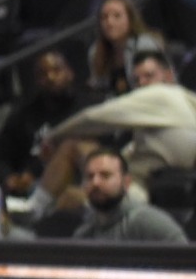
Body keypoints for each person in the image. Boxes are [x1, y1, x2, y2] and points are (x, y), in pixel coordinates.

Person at [42, 50, 196, 197]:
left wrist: (54, 135)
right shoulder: (187, 100)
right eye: (136, 80)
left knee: (71, 147)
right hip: (152, 183)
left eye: (149, 76)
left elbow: (92, 118)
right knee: (68, 195)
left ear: (169, 76)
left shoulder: (161, 95)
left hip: (140, 191)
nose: (142, 83)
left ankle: (35, 206)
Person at [0, 49, 90, 195]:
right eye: (43, 74)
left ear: (70, 73)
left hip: (71, 181)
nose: (50, 77)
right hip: (25, 184)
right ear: (36, 81)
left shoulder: (87, 108)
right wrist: (8, 177)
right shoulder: (22, 115)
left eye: (57, 70)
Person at [74, 148, 190, 243]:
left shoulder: (147, 221)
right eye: (90, 177)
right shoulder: (84, 233)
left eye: (105, 175)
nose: (95, 183)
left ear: (126, 182)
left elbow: (187, 262)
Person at [86, 0, 165, 96]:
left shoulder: (145, 45)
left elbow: (159, 86)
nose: (109, 22)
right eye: (104, 17)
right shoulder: (95, 52)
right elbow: (99, 89)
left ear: (130, 19)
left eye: (117, 16)